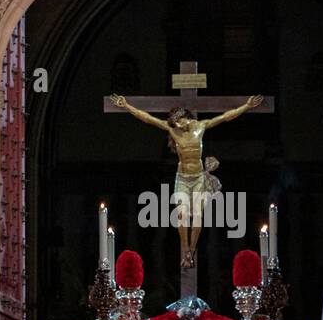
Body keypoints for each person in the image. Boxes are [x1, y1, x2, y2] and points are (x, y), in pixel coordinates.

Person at [109, 93, 263, 267]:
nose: (179, 126)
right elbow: (147, 118)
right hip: (182, 177)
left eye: (180, 122)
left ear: (185, 117)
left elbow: (225, 117)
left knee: (197, 215)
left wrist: (247, 106)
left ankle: (191, 249)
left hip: (198, 178)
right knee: (182, 214)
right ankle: (186, 252)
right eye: (176, 124)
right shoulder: (173, 130)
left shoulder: (201, 126)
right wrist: (127, 106)